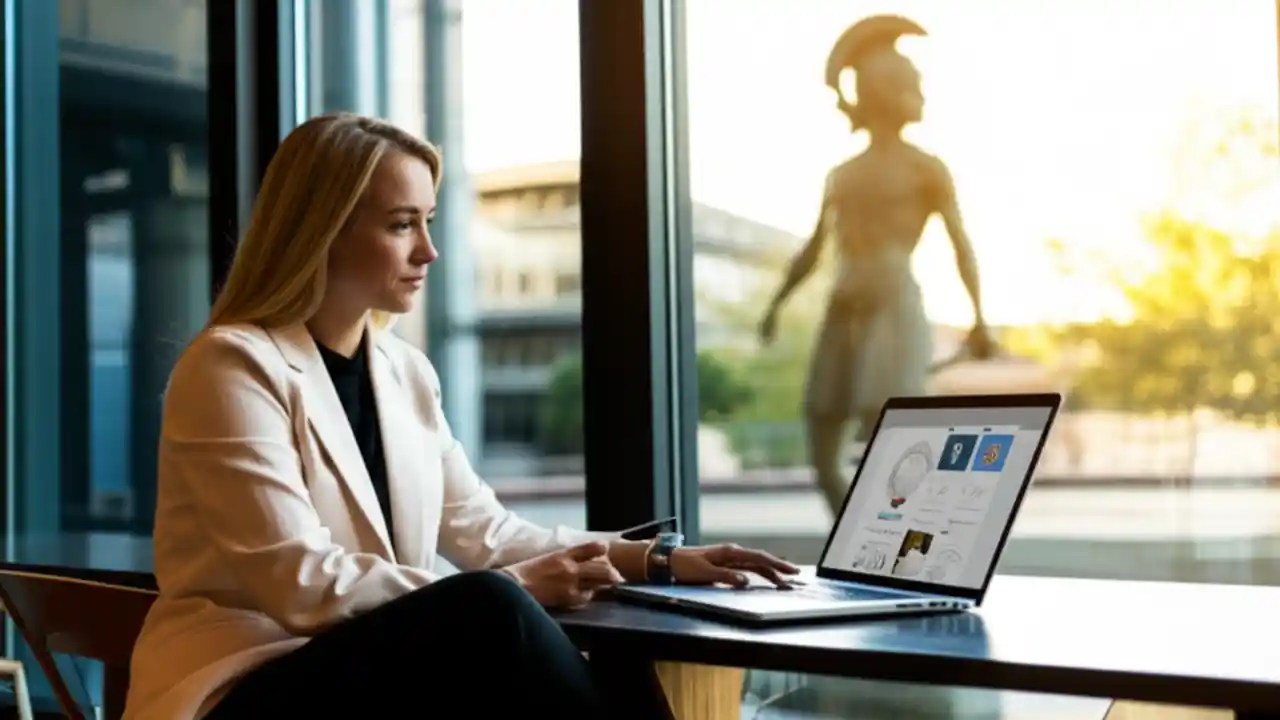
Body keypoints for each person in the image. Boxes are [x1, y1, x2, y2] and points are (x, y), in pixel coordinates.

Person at [123, 112, 799, 720]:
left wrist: (658, 560)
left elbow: (487, 531)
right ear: (321, 230)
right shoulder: (232, 367)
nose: (428, 251)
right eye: (400, 224)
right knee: (491, 610)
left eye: (428, 221)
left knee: (558, 641)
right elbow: (301, 581)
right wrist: (506, 587)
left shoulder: (404, 373)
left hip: (370, 675)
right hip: (247, 686)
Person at [759, 15, 994, 517]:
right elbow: (814, 248)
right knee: (823, 436)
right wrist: (776, 305)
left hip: (893, 301)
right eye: (913, 84)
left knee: (888, 434)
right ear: (886, 93)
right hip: (844, 306)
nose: (922, 93)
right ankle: (858, 544)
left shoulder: (926, 168)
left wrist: (980, 316)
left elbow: (961, 246)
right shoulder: (842, 174)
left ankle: (891, 548)